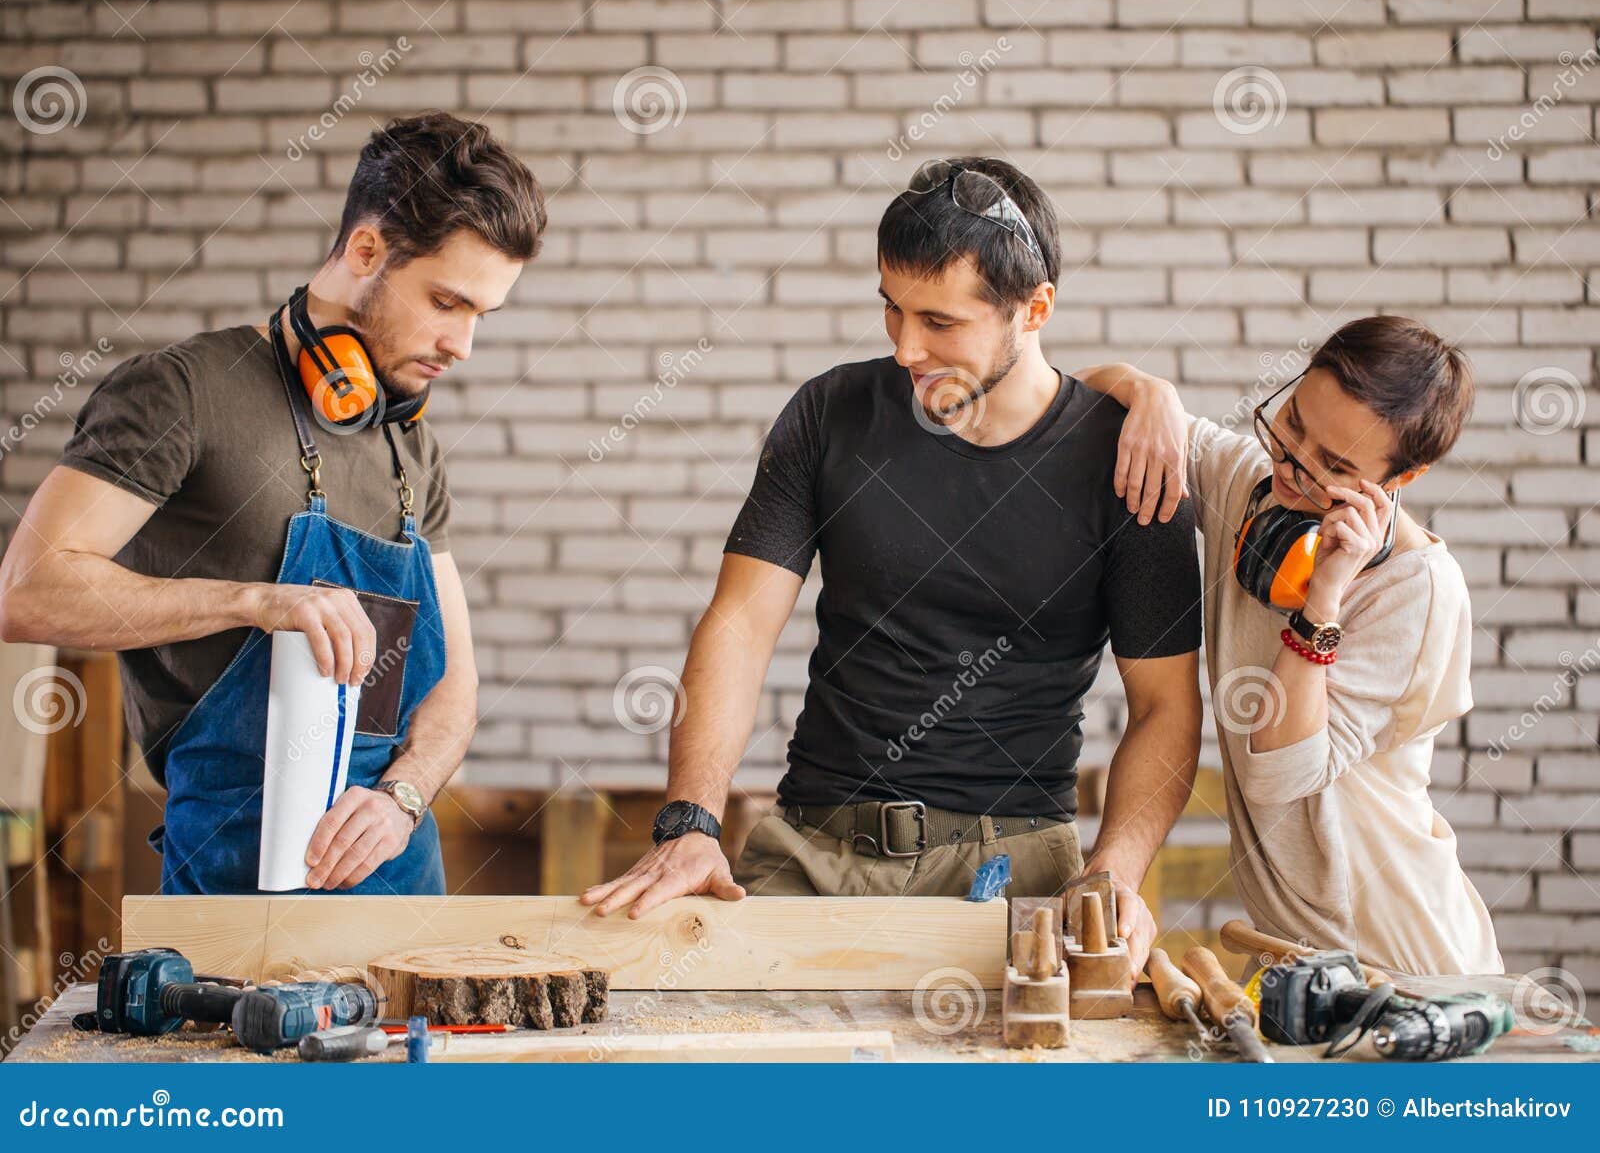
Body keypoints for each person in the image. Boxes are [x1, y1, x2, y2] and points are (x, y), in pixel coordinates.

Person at [583, 157, 1205, 979]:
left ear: (1035, 309)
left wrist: (1114, 872)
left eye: (940, 323)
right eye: (892, 308)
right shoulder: (830, 412)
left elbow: (1164, 704)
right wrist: (690, 819)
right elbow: (739, 624)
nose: (907, 347)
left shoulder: (1128, 461)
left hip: (1015, 867)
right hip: (812, 845)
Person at [0, 112, 546, 896]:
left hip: (397, 874)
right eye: (446, 303)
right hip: (235, 881)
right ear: (365, 251)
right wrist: (256, 601)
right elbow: (27, 592)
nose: (463, 346)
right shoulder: (184, 392)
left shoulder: (408, 446)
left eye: (480, 317)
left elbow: (453, 687)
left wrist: (402, 798)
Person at [1075, 315, 1503, 975]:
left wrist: (1324, 594)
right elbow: (1086, 400)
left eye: (1334, 465)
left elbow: (1281, 771)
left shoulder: (1418, 589)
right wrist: (1148, 388)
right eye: (1295, 423)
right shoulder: (1253, 485)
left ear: (1403, 477)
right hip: (1291, 957)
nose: (1292, 466)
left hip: (1400, 963)